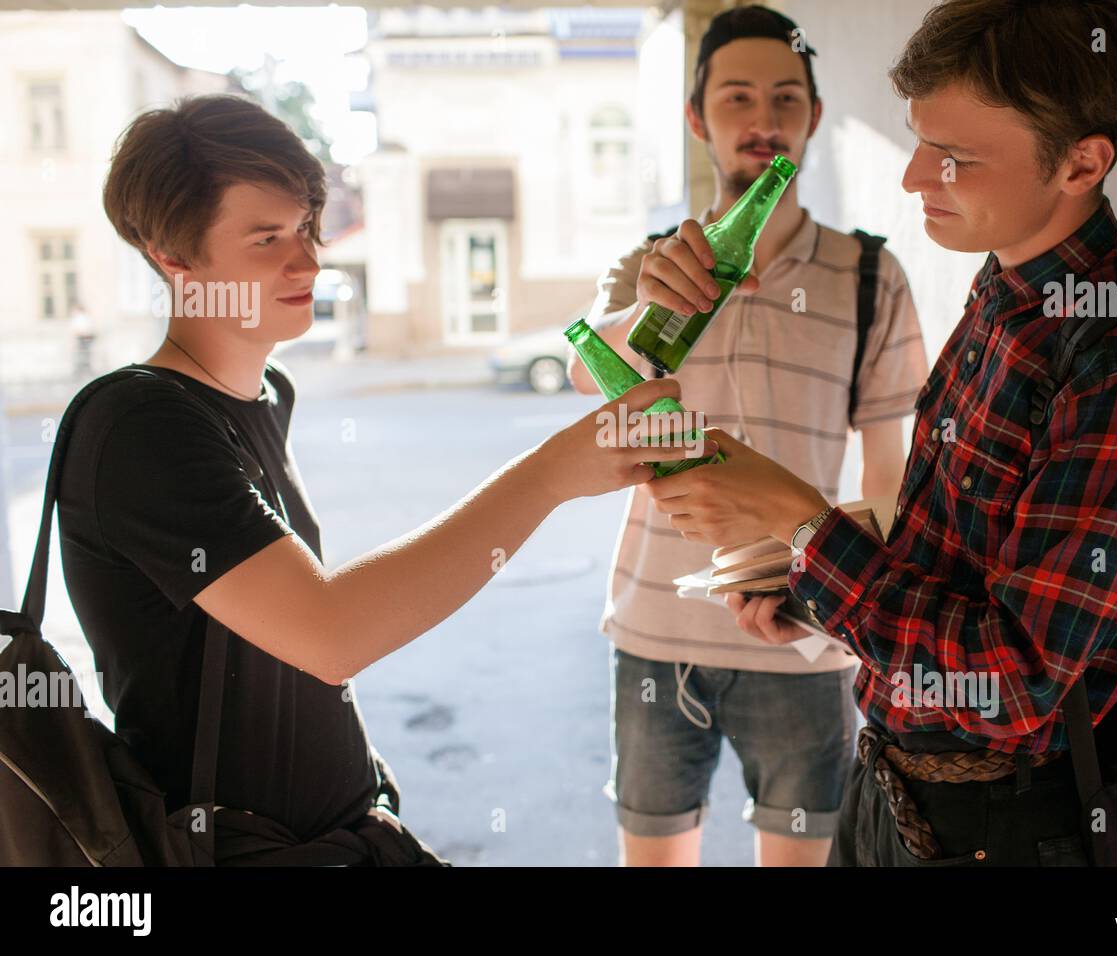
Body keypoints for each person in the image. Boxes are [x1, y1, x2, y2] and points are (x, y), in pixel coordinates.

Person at [57, 94, 713, 865]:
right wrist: (550, 474)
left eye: (305, 226)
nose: (306, 260)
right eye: (266, 237)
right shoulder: (139, 424)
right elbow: (331, 632)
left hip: (345, 832)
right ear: (173, 255)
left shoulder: (265, 395)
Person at [647, 0, 1117, 866]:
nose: (915, 177)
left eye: (953, 157)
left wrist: (801, 520)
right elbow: (964, 561)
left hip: (1006, 829)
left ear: (1081, 162)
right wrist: (816, 586)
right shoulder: (1006, 290)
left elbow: (1015, 682)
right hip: (894, 788)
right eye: (920, 141)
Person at [568, 5, 929, 866]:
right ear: (698, 120)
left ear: (813, 116)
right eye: (735, 98)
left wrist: (822, 612)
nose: (762, 120)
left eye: (785, 98)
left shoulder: (873, 275)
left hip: (803, 642)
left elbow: (888, 486)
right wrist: (653, 304)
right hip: (653, 637)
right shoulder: (649, 262)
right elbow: (586, 370)